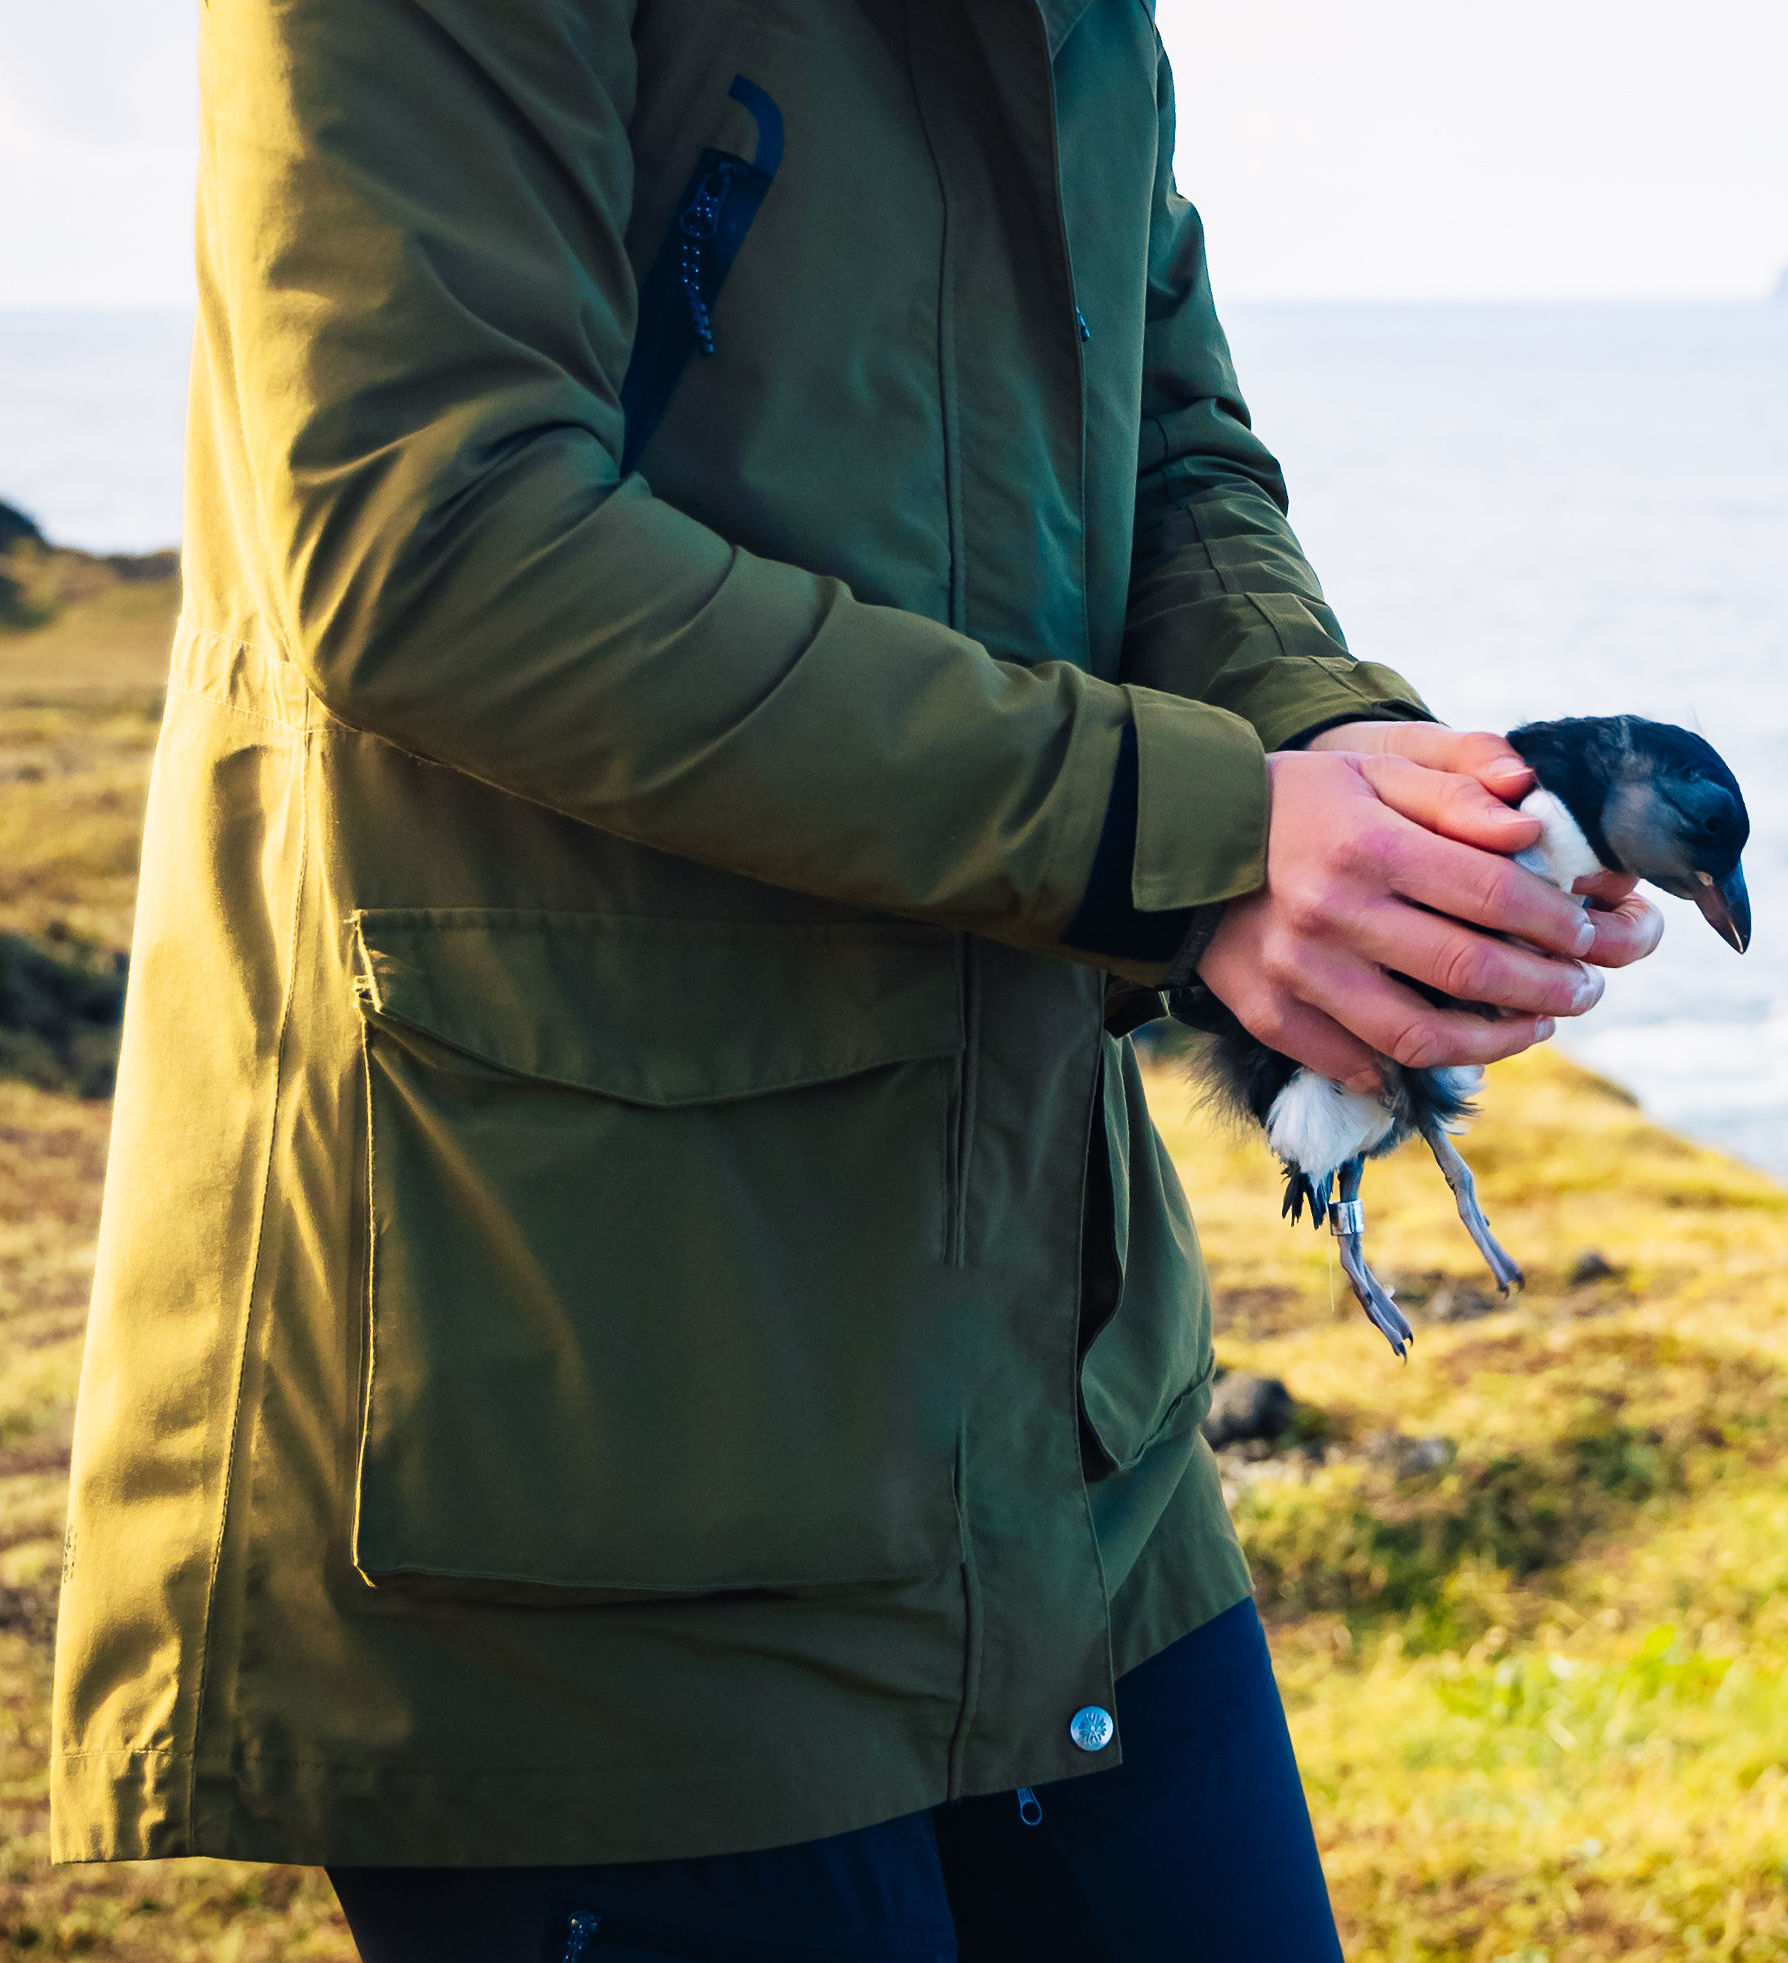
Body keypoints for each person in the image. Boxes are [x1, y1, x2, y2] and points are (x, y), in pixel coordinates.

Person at [50, 0, 1661, 1954]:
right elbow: (434, 538)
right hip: (580, 1439)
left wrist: (1340, 767)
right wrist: (1186, 832)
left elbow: (1172, 455)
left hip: (1065, 1442)